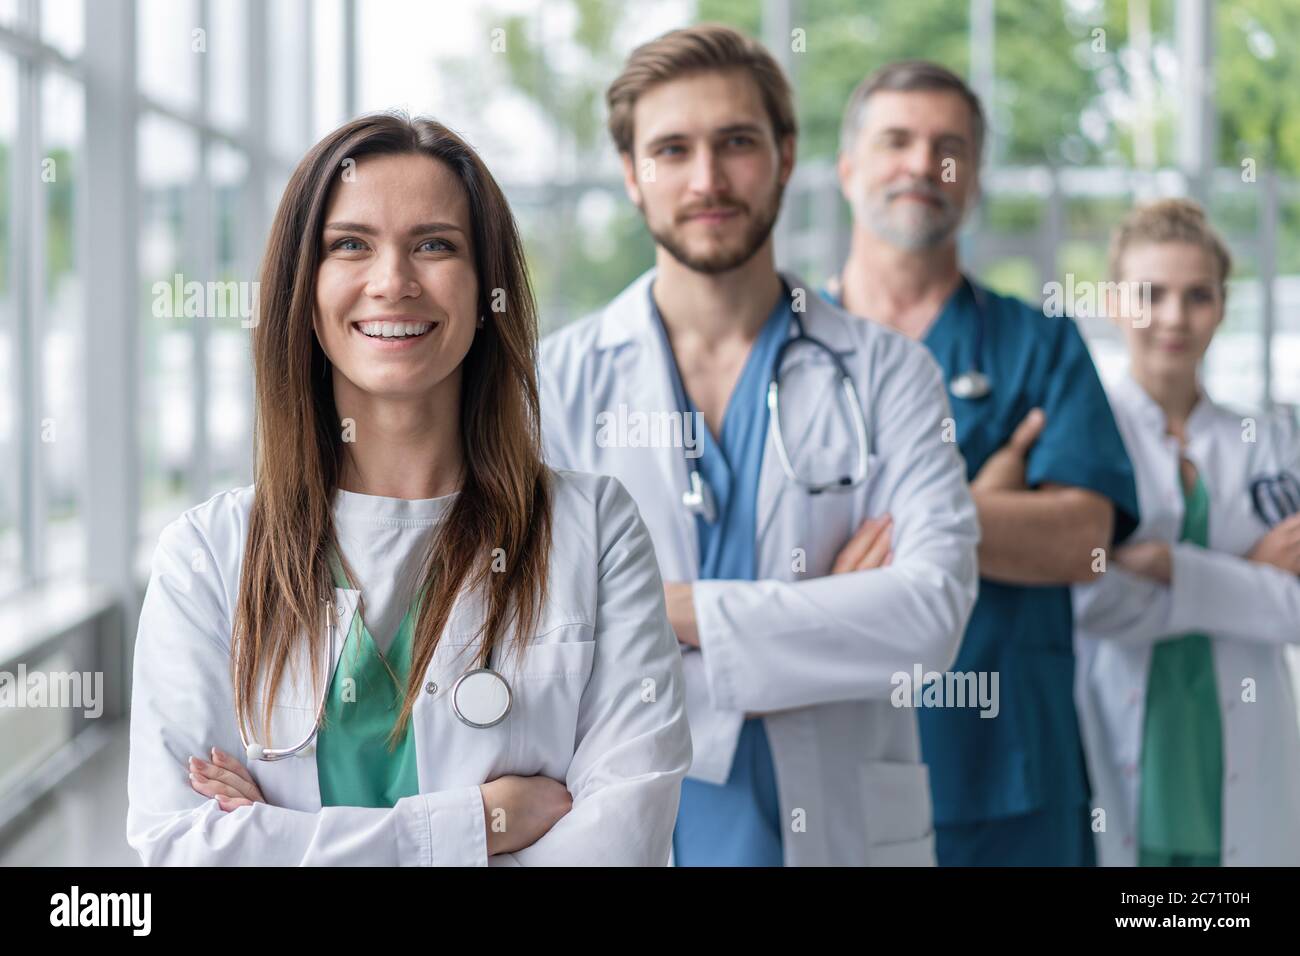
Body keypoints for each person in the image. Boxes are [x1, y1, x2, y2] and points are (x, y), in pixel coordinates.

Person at [127, 114, 692, 866]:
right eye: (350, 245)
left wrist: (281, 837)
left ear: (487, 287)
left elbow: (623, 840)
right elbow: (182, 848)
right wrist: (474, 827)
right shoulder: (206, 557)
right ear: (305, 286)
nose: (393, 281)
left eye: (435, 245)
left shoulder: (594, 530)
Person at [540, 25, 979, 866]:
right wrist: (826, 620)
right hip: (630, 823)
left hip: (843, 821)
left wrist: (665, 610)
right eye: (672, 149)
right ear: (633, 174)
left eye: (736, 142)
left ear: (784, 155)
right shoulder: (555, 385)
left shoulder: (889, 372)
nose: (708, 180)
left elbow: (929, 618)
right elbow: (546, 641)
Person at [828, 61, 1140, 865]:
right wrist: (982, 501)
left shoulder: (1039, 342)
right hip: (828, 757)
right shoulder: (787, 345)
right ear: (847, 168)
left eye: (950, 147)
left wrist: (886, 523)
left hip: (1010, 776)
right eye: (895, 140)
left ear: (973, 178)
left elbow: (1085, 541)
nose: (922, 165)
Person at [1073, 198, 1300, 866]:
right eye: (1151, 294)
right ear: (1115, 303)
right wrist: (1247, 570)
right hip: (1123, 754)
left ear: (1223, 306)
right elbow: (1093, 602)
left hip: (1243, 766)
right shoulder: (1085, 439)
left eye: (1197, 295)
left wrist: (1166, 565)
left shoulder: (1273, 443)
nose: (1173, 317)